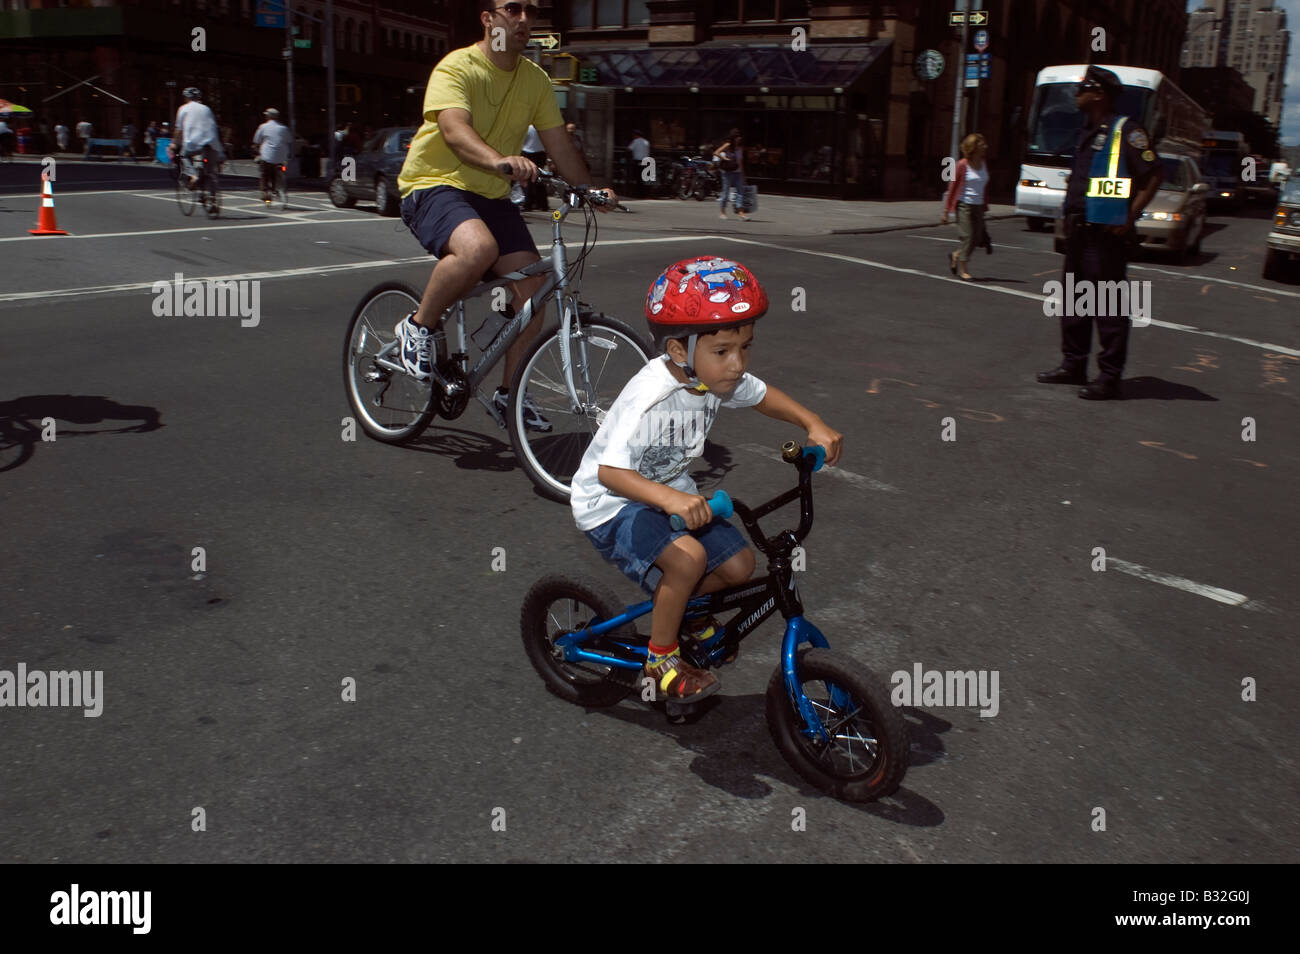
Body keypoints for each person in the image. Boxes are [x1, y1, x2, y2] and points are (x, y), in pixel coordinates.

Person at [570, 256, 843, 702]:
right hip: (611, 502)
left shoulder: (711, 379)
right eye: (722, 352)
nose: (737, 364)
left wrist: (811, 422)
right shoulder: (653, 395)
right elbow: (609, 472)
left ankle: (683, 610)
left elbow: (762, 396)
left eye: (745, 347)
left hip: (666, 491)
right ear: (680, 351)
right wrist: (671, 500)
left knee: (740, 566)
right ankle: (660, 660)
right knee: (687, 560)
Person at [394, 0, 616, 430]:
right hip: (434, 184)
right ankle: (418, 327)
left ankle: (509, 396)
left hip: (491, 197)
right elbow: (454, 130)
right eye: (512, 8)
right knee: (477, 248)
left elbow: (559, 145)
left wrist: (591, 188)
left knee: (533, 292)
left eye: (531, 11)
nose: (523, 19)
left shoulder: (535, 80)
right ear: (488, 18)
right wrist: (500, 161)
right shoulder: (457, 67)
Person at [1036, 65, 1161, 400]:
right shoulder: (1086, 131)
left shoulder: (1127, 131)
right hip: (1079, 230)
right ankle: (1073, 365)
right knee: (1074, 301)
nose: (1077, 93)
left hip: (1106, 234)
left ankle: (1109, 377)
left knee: (1107, 305)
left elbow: (1152, 176)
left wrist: (1130, 215)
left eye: (1084, 87)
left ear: (1099, 94)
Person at [941, 132, 990, 281]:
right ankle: (964, 270)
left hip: (978, 206)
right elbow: (952, 188)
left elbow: (984, 186)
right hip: (964, 205)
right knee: (968, 236)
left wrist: (985, 205)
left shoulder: (983, 164)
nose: (985, 146)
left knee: (977, 238)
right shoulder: (962, 164)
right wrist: (946, 211)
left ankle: (956, 255)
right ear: (974, 147)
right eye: (981, 144)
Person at [168, 87, 225, 188]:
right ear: (198, 97)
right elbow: (214, 126)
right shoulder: (207, 108)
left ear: (186, 98)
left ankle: (193, 175)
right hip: (212, 142)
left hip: (193, 142)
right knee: (211, 171)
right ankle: (212, 196)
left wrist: (174, 143)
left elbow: (179, 129)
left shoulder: (183, 108)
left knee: (183, 155)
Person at [252, 107, 292, 204]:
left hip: (268, 156)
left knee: (264, 173)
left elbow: (256, 141)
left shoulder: (263, 127)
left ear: (268, 116)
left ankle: (265, 192)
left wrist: (256, 149)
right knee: (277, 170)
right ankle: (276, 189)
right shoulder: (283, 128)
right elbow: (289, 140)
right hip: (282, 156)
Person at [713, 128, 747, 221]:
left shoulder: (740, 148)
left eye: (740, 137)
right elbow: (716, 152)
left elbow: (741, 162)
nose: (739, 138)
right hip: (728, 172)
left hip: (738, 172)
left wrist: (743, 175)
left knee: (740, 192)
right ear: (733, 137)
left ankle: (741, 213)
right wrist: (724, 158)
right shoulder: (728, 145)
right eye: (737, 137)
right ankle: (723, 212)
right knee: (725, 192)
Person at [520, 123, 548, 211]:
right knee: (538, 179)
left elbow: (522, 140)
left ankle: (528, 204)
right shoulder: (542, 127)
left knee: (529, 179)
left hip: (528, 152)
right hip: (541, 154)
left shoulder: (528, 128)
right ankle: (543, 204)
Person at [627, 129, 650, 198]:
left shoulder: (635, 141)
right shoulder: (646, 142)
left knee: (638, 177)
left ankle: (638, 193)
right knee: (643, 177)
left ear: (636, 135)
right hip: (645, 161)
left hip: (638, 161)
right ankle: (644, 193)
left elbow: (629, 149)